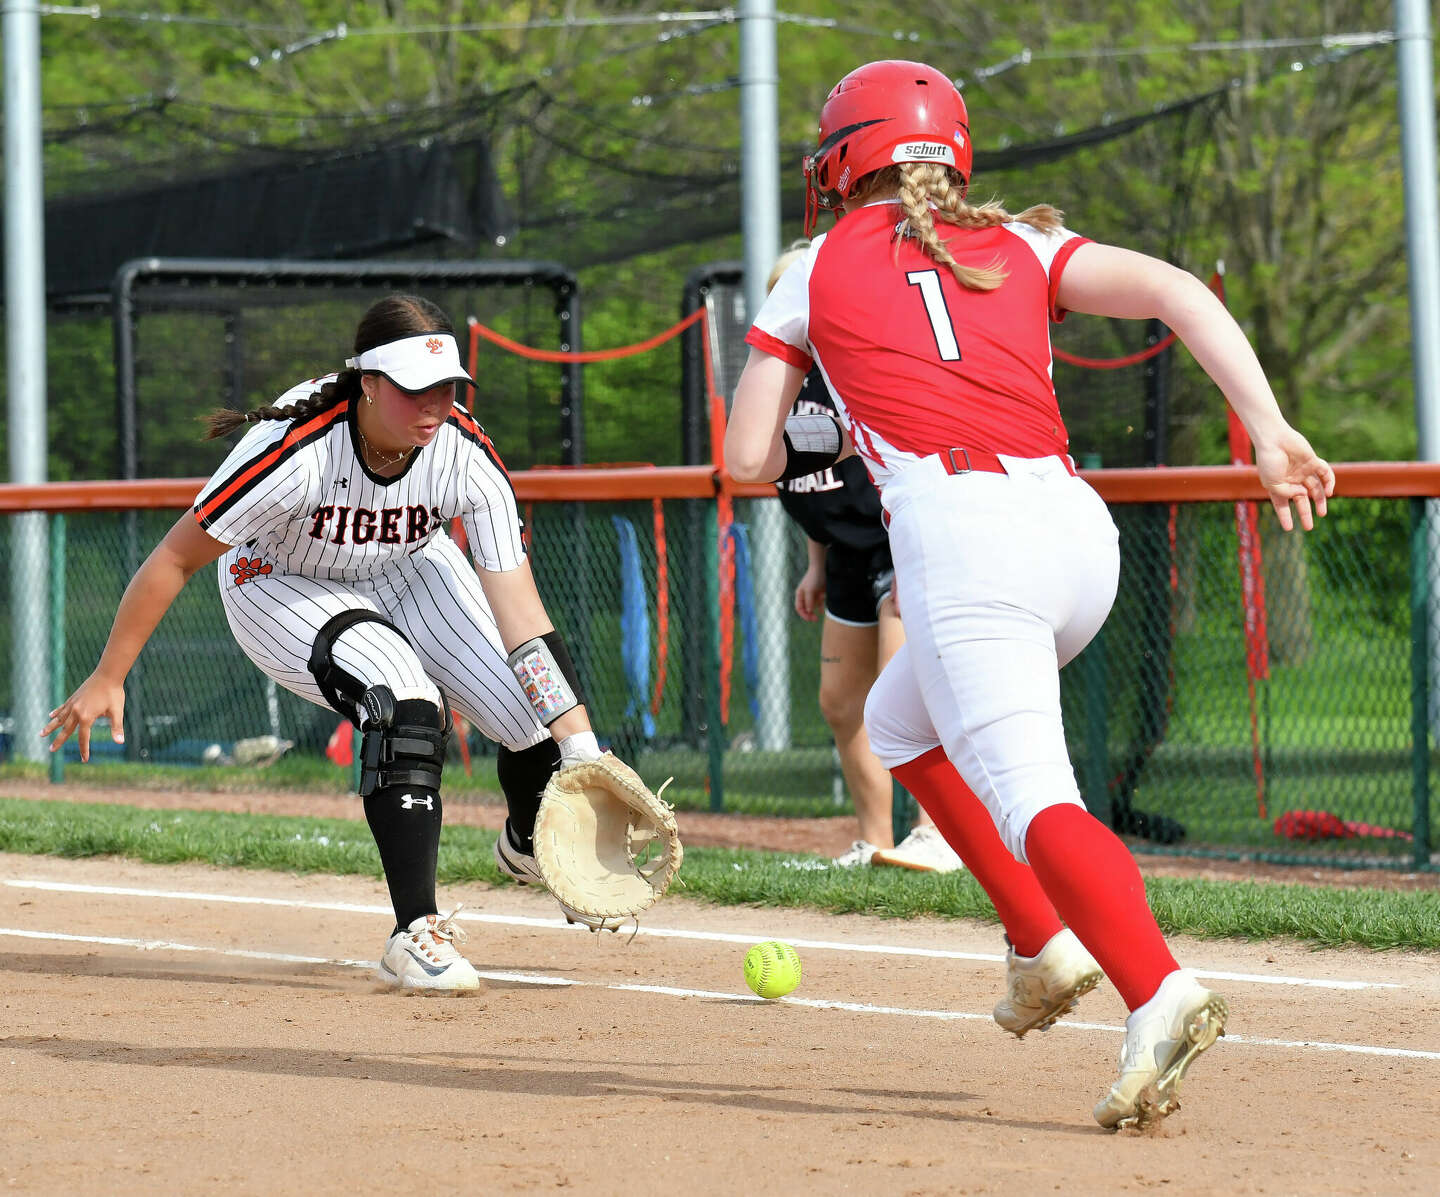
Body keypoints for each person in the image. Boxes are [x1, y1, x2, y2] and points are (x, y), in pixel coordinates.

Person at [725, 60, 1334, 1130]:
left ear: (839, 162)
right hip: (1074, 535)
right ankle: (1037, 943)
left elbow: (743, 457)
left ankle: (1158, 988)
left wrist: (816, 372)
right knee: (896, 721)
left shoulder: (813, 267)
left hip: (967, 546)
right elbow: (1180, 292)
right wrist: (1270, 430)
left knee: (1036, 801)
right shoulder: (1024, 240)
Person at [42, 293, 627, 993]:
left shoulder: (463, 454)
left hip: (407, 565)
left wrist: (580, 745)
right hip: (281, 581)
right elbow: (173, 558)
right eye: (414, 389)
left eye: (446, 387)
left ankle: (533, 843)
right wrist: (110, 674)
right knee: (406, 702)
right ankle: (416, 932)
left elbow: (523, 616)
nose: (433, 405)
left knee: (537, 718)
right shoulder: (298, 451)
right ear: (370, 383)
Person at [766, 241, 962, 873]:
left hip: (899, 548)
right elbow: (810, 484)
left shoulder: (857, 370)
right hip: (846, 555)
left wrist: (916, 562)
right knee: (841, 702)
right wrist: (816, 565)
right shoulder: (774, 383)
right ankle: (876, 841)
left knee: (908, 697)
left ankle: (938, 834)